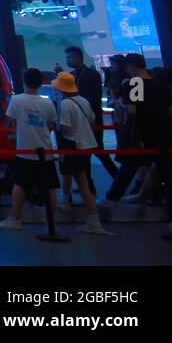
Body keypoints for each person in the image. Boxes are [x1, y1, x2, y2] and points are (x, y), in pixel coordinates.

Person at [106, 54, 172, 203]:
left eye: (127, 67)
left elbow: (133, 109)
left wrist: (119, 104)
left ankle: (111, 199)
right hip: (164, 133)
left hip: (143, 133)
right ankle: (170, 214)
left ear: (132, 66)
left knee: (129, 166)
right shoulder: (160, 84)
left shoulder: (135, 83)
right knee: (166, 174)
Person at [0, 68, 60, 230]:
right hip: (45, 152)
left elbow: (11, 123)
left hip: (24, 151)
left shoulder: (16, 100)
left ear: (24, 82)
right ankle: (51, 222)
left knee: (19, 184)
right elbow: (51, 125)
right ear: (41, 83)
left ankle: (15, 219)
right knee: (50, 187)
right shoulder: (48, 103)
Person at [51, 72, 111, 235]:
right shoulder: (83, 101)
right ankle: (93, 218)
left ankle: (69, 204)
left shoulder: (65, 104)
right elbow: (92, 119)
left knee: (68, 175)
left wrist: (56, 126)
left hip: (72, 146)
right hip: (87, 145)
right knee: (83, 183)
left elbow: (66, 127)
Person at [66, 45, 118, 181]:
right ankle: (89, 183)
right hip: (79, 119)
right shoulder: (73, 75)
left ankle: (117, 179)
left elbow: (94, 97)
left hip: (92, 118)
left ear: (78, 57)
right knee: (87, 152)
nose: (67, 60)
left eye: (69, 57)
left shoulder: (91, 74)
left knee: (97, 150)